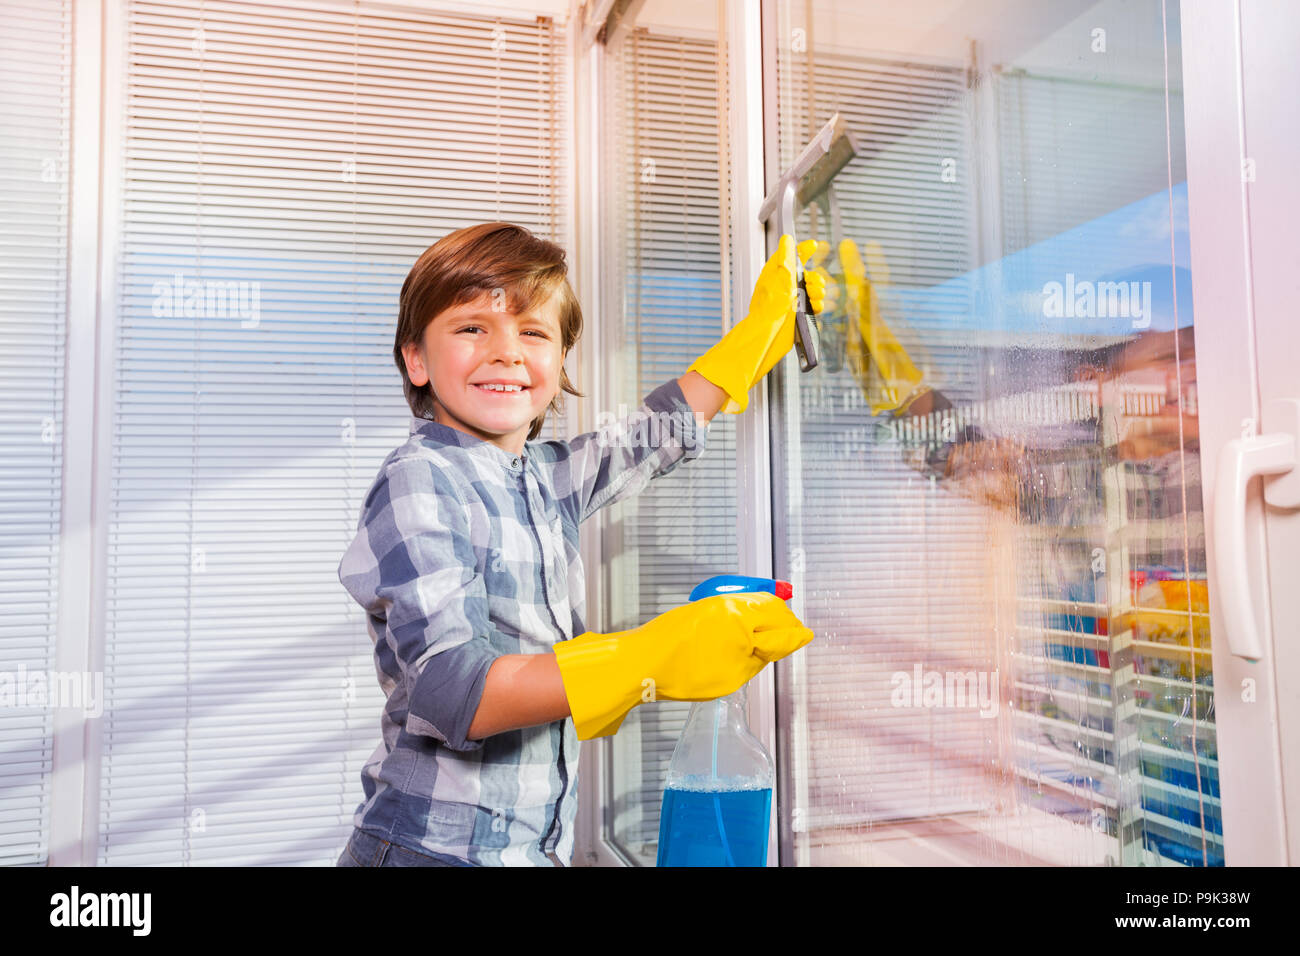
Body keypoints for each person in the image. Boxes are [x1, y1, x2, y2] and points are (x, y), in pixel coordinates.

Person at [335, 222, 823, 867]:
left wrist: (761, 335)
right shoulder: (418, 480)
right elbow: (451, 689)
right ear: (416, 359)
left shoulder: (541, 475)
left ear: (559, 362)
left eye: (533, 332)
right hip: (428, 851)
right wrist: (645, 658)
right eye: (472, 327)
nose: (507, 352)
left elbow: (654, 433)